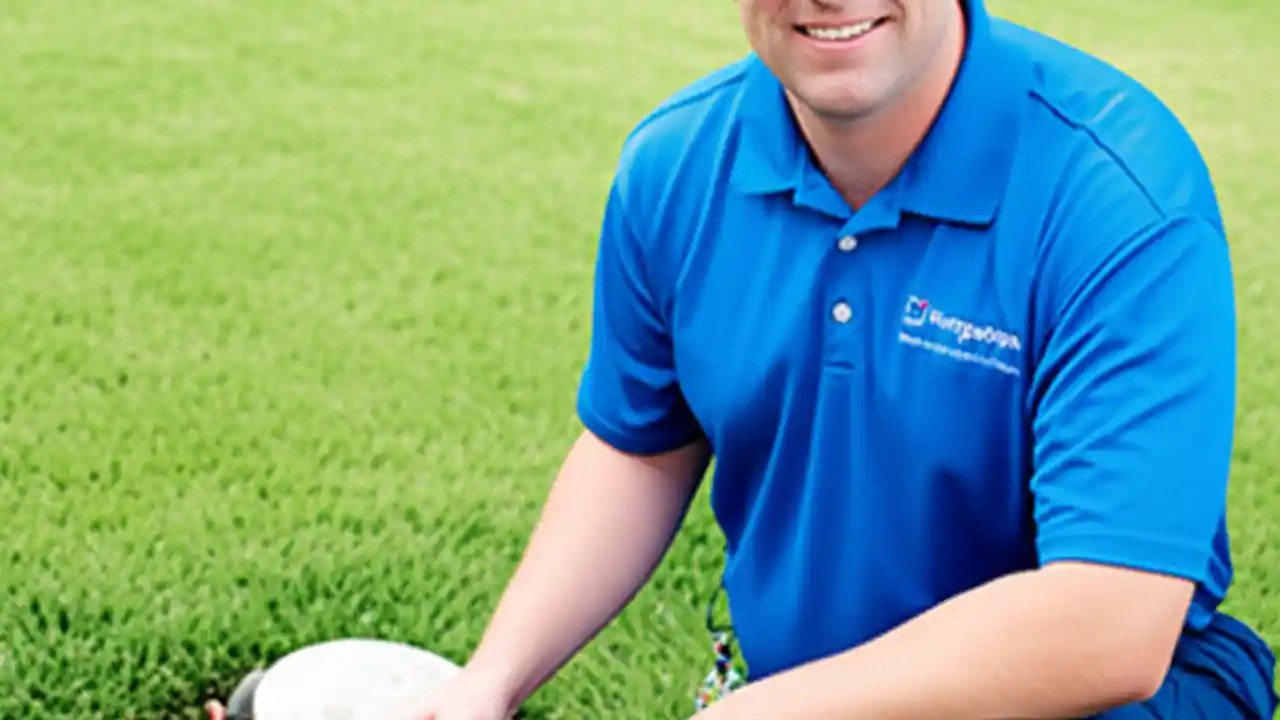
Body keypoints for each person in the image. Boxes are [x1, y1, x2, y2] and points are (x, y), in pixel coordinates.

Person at [393, 1, 1279, 718]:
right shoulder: (675, 165)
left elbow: (1112, 622)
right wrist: (491, 678)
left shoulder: (1116, 196)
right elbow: (643, 447)